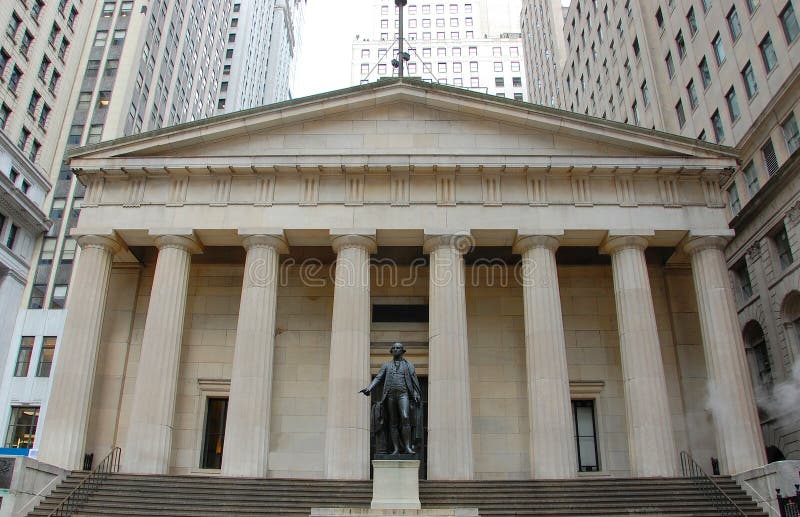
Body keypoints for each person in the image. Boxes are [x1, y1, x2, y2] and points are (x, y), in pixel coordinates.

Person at [359, 342, 422, 455]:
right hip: (390, 396)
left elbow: (414, 381)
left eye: (398, 348)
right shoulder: (386, 365)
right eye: (394, 348)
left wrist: (416, 393)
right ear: (391, 351)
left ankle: (407, 447)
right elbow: (378, 378)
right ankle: (396, 448)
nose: (396, 349)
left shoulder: (408, 365)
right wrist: (369, 388)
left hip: (404, 394)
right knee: (393, 422)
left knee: (405, 417)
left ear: (402, 351)